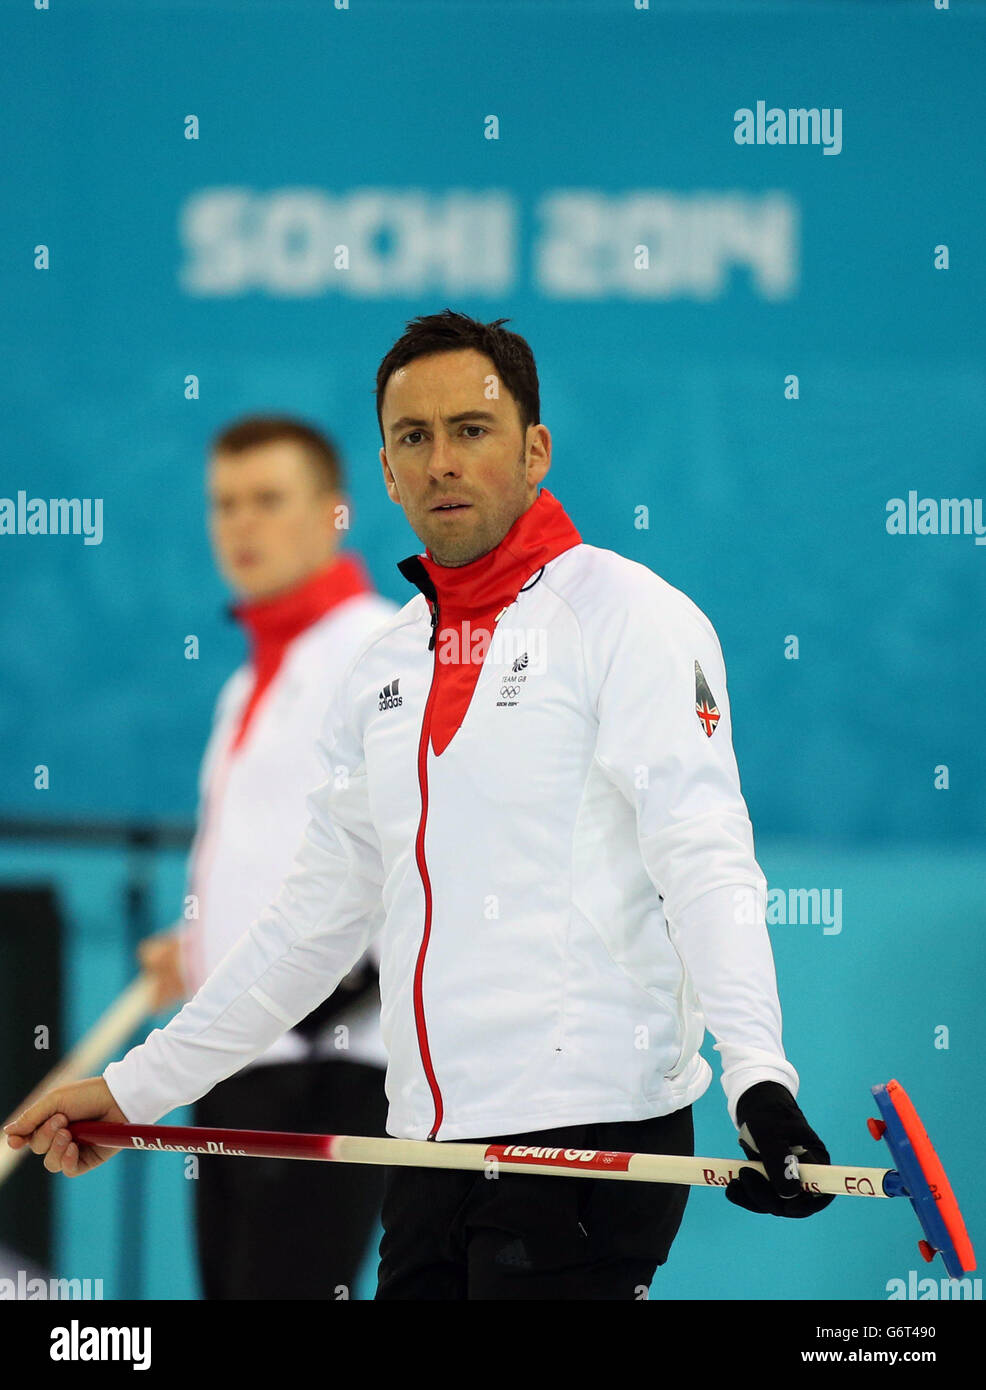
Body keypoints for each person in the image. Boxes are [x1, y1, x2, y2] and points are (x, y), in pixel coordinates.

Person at [6, 311, 834, 1301]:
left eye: (471, 430)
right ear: (387, 475)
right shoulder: (382, 666)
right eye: (412, 437)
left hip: (585, 1139)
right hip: (427, 1146)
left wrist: (757, 1077)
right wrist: (136, 1088)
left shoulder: (630, 617)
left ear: (535, 450)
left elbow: (703, 854)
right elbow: (308, 927)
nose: (441, 460)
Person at [136, 415, 396, 1298]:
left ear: (335, 515)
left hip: (334, 1057)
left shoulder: (382, 649)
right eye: (224, 503)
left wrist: (325, 988)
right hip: (238, 1056)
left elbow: (415, 845)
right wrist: (202, 947)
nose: (241, 525)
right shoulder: (248, 680)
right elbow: (275, 852)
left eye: (269, 500)